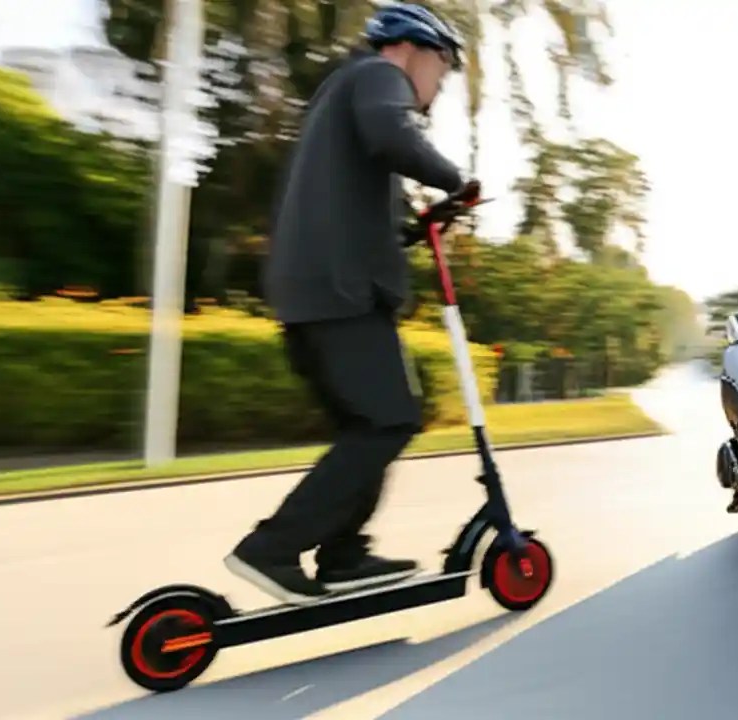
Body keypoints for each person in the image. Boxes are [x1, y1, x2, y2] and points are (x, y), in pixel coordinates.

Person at [225, 2, 476, 605]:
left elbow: (356, 207)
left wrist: (412, 231)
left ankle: (344, 556)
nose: (438, 86)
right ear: (417, 50)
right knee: (390, 420)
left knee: (371, 428)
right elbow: (393, 135)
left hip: (318, 290)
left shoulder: (342, 98)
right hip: (339, 293)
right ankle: (271, 548)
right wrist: (457, 181)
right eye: (442, 70)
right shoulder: (378, 75)